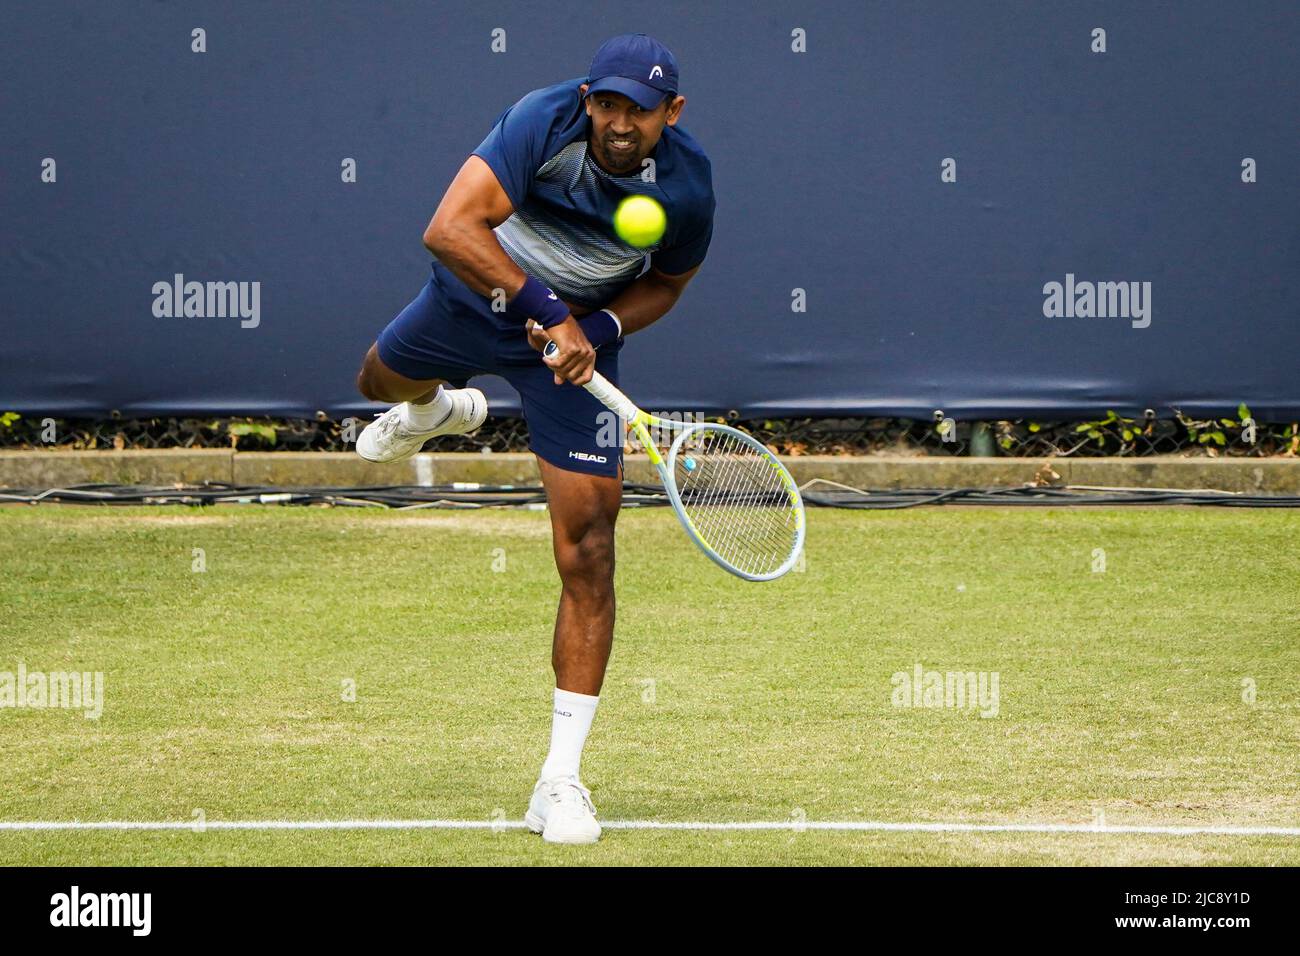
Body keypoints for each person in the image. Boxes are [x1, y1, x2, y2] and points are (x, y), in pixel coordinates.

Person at [353, 33, 716, 844]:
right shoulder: (540, 122)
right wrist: (546, 310)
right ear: (588, 98)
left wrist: (595, 324)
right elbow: (449, 226)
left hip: (575, 351)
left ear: (673, 112)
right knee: (375, 386)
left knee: (589, 544)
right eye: (608, 103)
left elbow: (668, 284)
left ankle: (560, 781)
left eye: (641, 109)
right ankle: (435, 411)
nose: (620, 122)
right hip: (469, 300)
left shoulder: (688, 187)